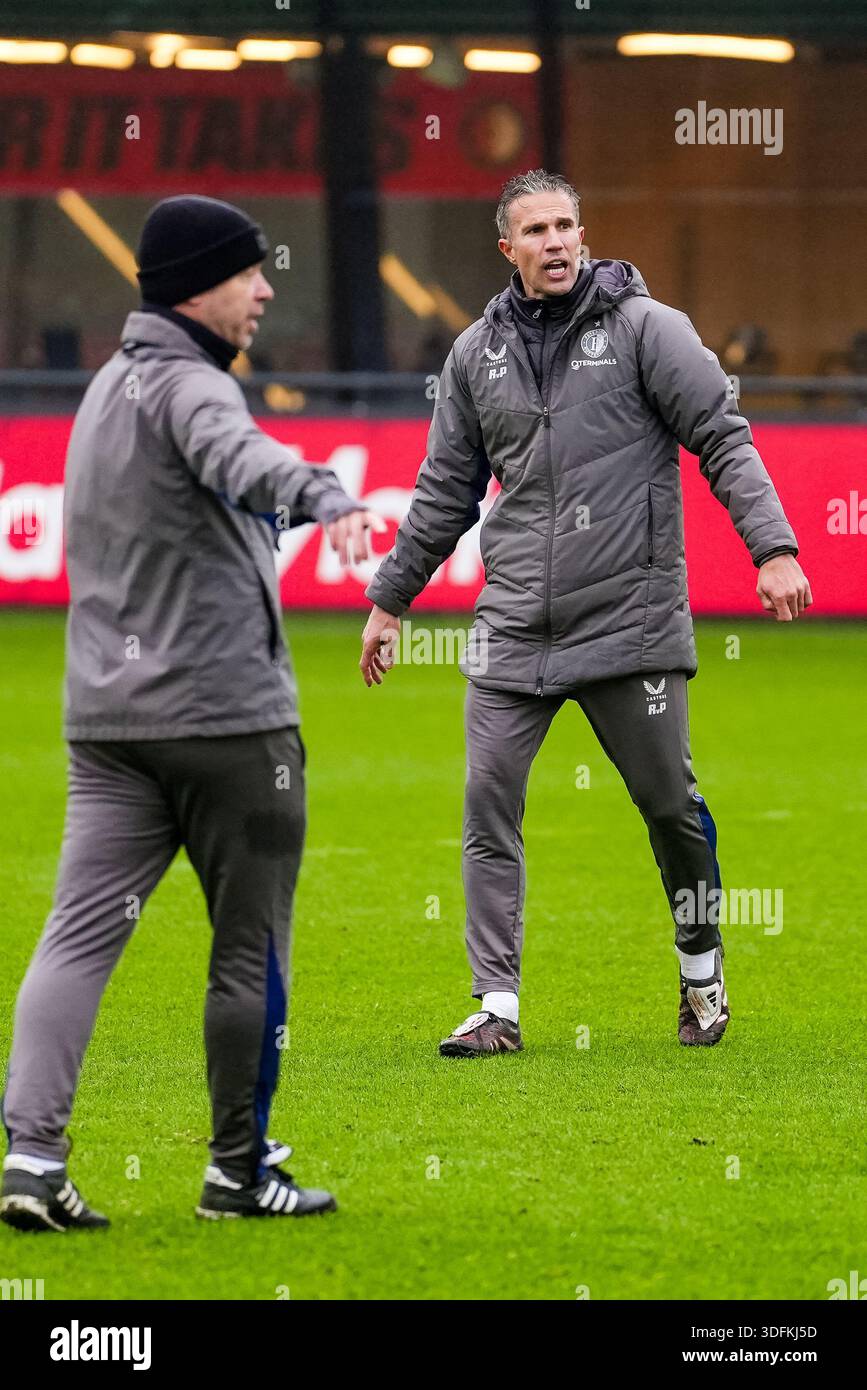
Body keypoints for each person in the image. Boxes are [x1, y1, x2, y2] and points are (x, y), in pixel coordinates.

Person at [360, 169, 811, 1058]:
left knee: (669, 809)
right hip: (514, 624)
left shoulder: (648, 330)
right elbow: (444, 492)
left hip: (629, 623)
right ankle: (496, 1006)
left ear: (584, 236)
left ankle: (699, 968)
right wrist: (389, 600)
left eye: (567, 224)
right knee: (487, 811)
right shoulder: (472, 357)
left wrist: (774, 549)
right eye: (536, 230)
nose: (556, 241)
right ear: (508, 249)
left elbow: (721, 434)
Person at [1, 195, 382, 1231]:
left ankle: (30, 1159)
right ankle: (237, 1170)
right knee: (249, 950)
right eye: (251, 272)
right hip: (226, 725)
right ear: (198, 285)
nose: (266, 289)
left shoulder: (104, 390)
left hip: (108, 726)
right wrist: (328, 497)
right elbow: (241, 457)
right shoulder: (190, 387)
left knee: (75, 942)